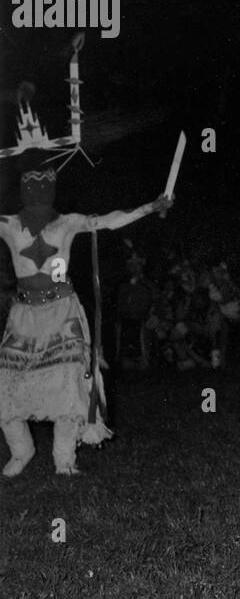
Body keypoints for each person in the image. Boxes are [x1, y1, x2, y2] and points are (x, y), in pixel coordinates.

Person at [0, 166, 172, 476]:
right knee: (7, 383)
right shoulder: (8, 224)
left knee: (70, 383)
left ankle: (64, 457)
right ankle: (21, 450)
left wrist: (151, 206)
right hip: (24, 316)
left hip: (61, 311)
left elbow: (110, 220)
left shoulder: (68, 222)